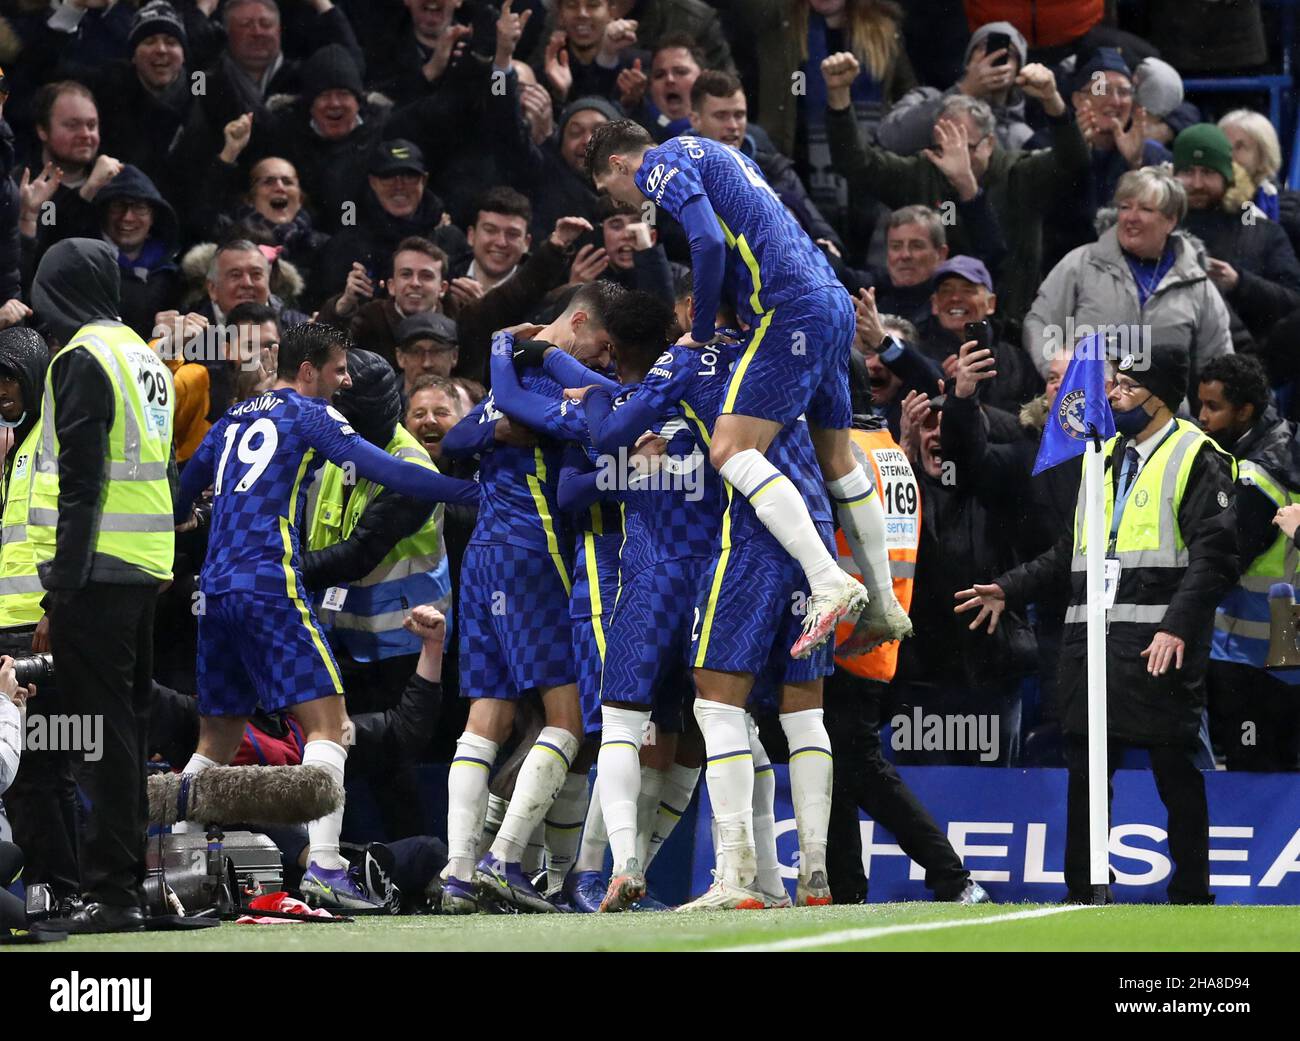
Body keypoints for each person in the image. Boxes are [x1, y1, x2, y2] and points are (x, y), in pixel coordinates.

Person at [172, 322, 478, 910]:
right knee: (330, 727)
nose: (345, 380)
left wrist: (187, 523)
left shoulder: (235, 415)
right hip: (270, 583)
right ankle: (328, 866)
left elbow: (185, 491)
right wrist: (470, 494)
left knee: (217, 738)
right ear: (307, 369)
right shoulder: (311, 413)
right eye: (337, 368)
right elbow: (389, 470)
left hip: (215, 591)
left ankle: (175, 857)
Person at [586, 118, 907, 659]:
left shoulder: (658, 164)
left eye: (607, 190)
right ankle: (882, 601)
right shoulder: (717, 151)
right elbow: (750, 231)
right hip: (830, 301)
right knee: (836, 459)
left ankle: (827, 578)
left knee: (729, 449)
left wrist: (703, 328)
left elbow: (708, 242)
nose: (616, 204)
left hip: (789, 310)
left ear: (619, 164)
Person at [567, 291, 846, 909]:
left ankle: (623, 867)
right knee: (774, 721)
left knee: (631, 723)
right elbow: (841, 462)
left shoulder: (669, 374)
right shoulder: (790, 361)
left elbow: (585, 465)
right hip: (795, 537)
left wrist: (558, 375)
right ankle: (797, 876)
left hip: (676, 568)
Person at [956, 344, 1240, 904]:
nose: (1113, 395)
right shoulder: (1102, 456)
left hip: (1158, 645)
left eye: (1128, 388)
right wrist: (1008, 587)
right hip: (1089, 646)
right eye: (1115, 385)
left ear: (1160, 398)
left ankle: (1191, 895)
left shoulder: (1196, 456)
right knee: (1085, 772)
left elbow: (1215, 560)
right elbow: (1071, 551)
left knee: (1173, 769)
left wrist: (1177, 628)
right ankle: (1086, 892)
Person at [435, 282, 622, 915]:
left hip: (481, 561)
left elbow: (460, 440)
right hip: (532, 557)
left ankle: (458, 873)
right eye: (600, 346)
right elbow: (462, 442)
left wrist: (495, 410)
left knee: (488, 716)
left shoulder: (506, 386)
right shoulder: (555, 391)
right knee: (567, 721)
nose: (601, 361)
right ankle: (503, 859)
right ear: (576, 323)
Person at [28, 239, 177, 934]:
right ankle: (133, 885)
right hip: (146, 567)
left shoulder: (80, 357)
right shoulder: (146, 357)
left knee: (100, 739)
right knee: (126, 733)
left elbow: (82, 484)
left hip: (97, 570)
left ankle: (112, 893)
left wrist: (60, 589)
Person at [303, 350, 453, 839]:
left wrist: (280, 573)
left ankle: (416, 866)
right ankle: (337, 862)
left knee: (393, 765)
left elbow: (359, 553)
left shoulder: (412, 470)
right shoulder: (333, 451)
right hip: (343, 638)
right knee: (340, 751)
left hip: (405, 640)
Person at [822, 51, 1085, 327]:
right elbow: (856, 164)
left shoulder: (1020, 174)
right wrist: (839, 97)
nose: (952, 156)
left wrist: (1052, 99)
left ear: (989, 143)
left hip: (1012, 326)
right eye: (942, 145)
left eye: (964, 146)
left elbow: (1075, 161)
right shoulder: (924, 171)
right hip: (934, 327)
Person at [1023, 166, 1232, 401]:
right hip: (1085, 411)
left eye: (1145, 209)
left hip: (1161, 425)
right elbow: (1039, 321)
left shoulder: (1196, 284)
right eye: (1125, 207)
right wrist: (1058, 371)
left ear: (1170, 220)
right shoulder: (1081, 264)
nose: (1131, 217)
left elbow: (1218, 362)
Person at [0, 327, 78, 909]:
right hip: (11, 628)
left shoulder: (50, 441)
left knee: (41, 773)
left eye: (10, 379)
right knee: (23, 779)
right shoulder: (17, 449)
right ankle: (46, 890)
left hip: (39, 629)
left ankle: (63, 890)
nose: (2, 392)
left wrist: (55, 610)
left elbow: (66, 534)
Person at [1198, 354, 1300, 772]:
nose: (1201, 416)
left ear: (1245, 411)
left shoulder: (1258, 477)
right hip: (1280, 624)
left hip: (1259, 640)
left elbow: (1224, 559)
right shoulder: (1285, 440)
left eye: (1213, 407)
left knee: (1255, 759)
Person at [1174, 123, 1300, 345]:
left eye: (1208, 172)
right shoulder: (1157, 227)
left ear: (1229, 176)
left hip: (1245, 361)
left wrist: (1239, 283)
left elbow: (1293, 301)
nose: (1197, 183)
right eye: (1187, 171)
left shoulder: (1262, 231)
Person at [877, 22, 1034, 157]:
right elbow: (888, 138)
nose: (991, 59)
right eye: (984, 47)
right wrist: (965, 91)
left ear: (1018, 72)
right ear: (968, 61)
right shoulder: (924, 97)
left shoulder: (1022, 136)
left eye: (1009, 54)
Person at [319, 237, 450, 369]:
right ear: (391, 286)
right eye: (406, 274)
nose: (415, 283)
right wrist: (343, 306)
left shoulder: (457, 316)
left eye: (426, 276)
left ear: (442, 288)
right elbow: (320, 351)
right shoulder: (371, 317)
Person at [92, 165, 182, 339]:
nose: (127, 217)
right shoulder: (88, 268)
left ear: (154, 217)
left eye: (140, 208)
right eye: (118, 206)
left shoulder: (171, 274)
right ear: (104, 213)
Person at [395, 314, 460, 397]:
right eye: (416, 352)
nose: (427, 363)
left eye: (437, 351)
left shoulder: (473, 405)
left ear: (454, 356)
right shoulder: (380, 405)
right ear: (400, 357)